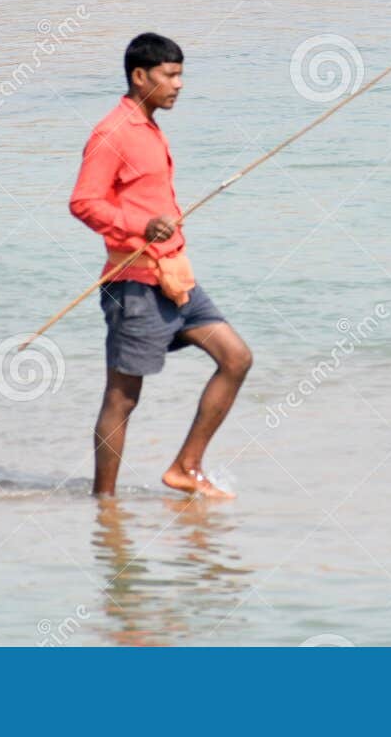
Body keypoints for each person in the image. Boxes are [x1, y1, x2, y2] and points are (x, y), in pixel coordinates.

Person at [69, 32, 252, 498]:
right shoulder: (112, 132)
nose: (179, 84)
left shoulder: (148, 127)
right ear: (139, 75)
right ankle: (104, 504)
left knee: (236, 358)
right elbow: (84, 202)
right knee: (123, 397)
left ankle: (185, 468)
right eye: (170, 75)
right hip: (133, 284)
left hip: (173, 278)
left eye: (180, 74)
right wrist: (139, 224)